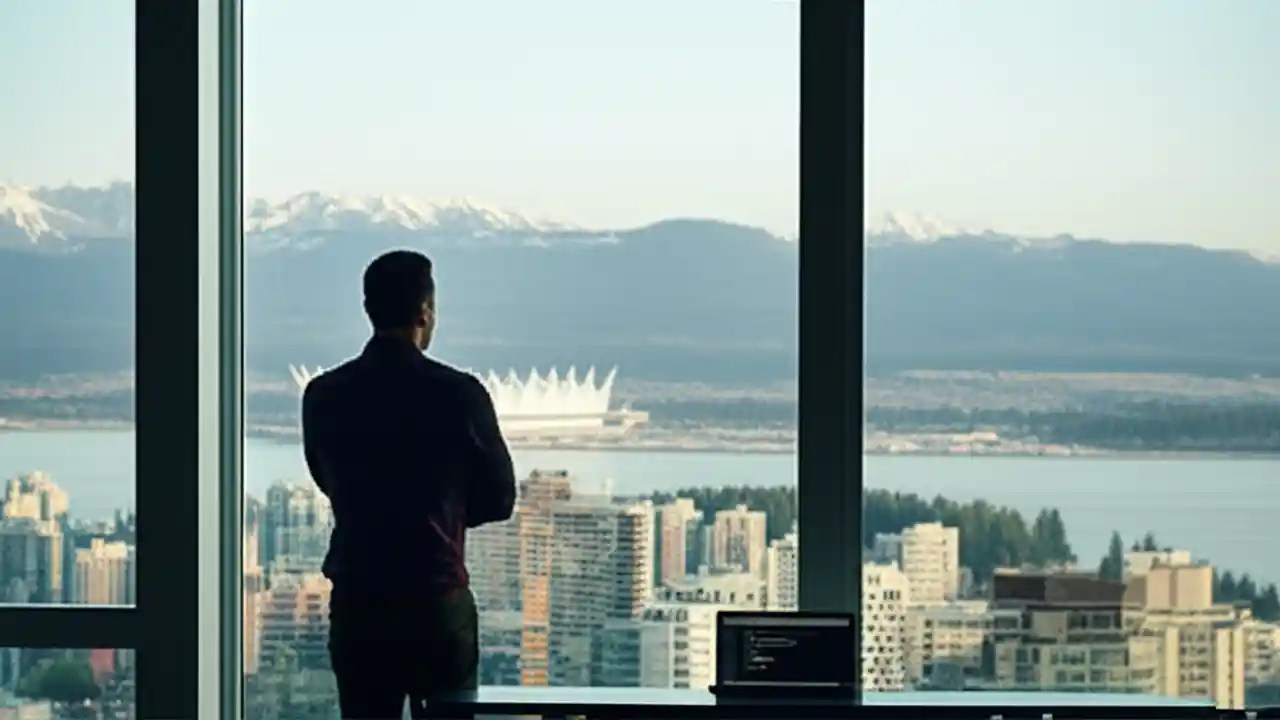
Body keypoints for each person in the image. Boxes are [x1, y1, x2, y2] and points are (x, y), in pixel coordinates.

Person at [301, 249, 516, 719]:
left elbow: (326, 477)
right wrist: (449, 509)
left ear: (368, 310)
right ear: (425, 312)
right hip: (436, 600)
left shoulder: (324, 395)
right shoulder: (460, 394)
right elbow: (501, 499)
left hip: (360, 604)